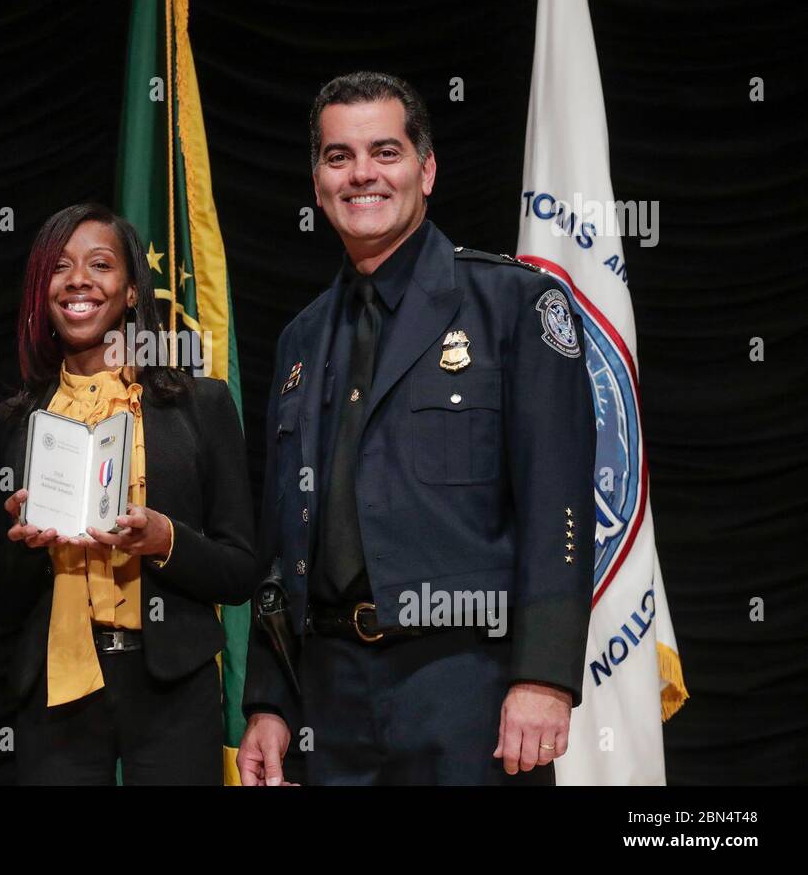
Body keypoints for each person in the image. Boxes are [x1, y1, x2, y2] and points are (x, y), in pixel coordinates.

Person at [237, 72, 595, 785]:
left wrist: (546, 677)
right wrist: (270, 701)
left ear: (426, 170)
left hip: (469, 684)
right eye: (338, 157)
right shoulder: (300, 340)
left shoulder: (514, 306)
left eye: (385, 151)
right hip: (329, 697)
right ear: (317, 183)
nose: (362, 173)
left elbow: (560, 501)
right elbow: (283, 540)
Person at [0, 202, 263, 785]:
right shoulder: (18, 422)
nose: (79, 281)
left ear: (133, 290)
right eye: (60, 267)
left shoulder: (201, 405)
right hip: (55, 690)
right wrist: (24, 544)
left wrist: (167, 541)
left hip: (173, 687)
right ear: (44, 291)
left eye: (100, 264)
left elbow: (242, 569)